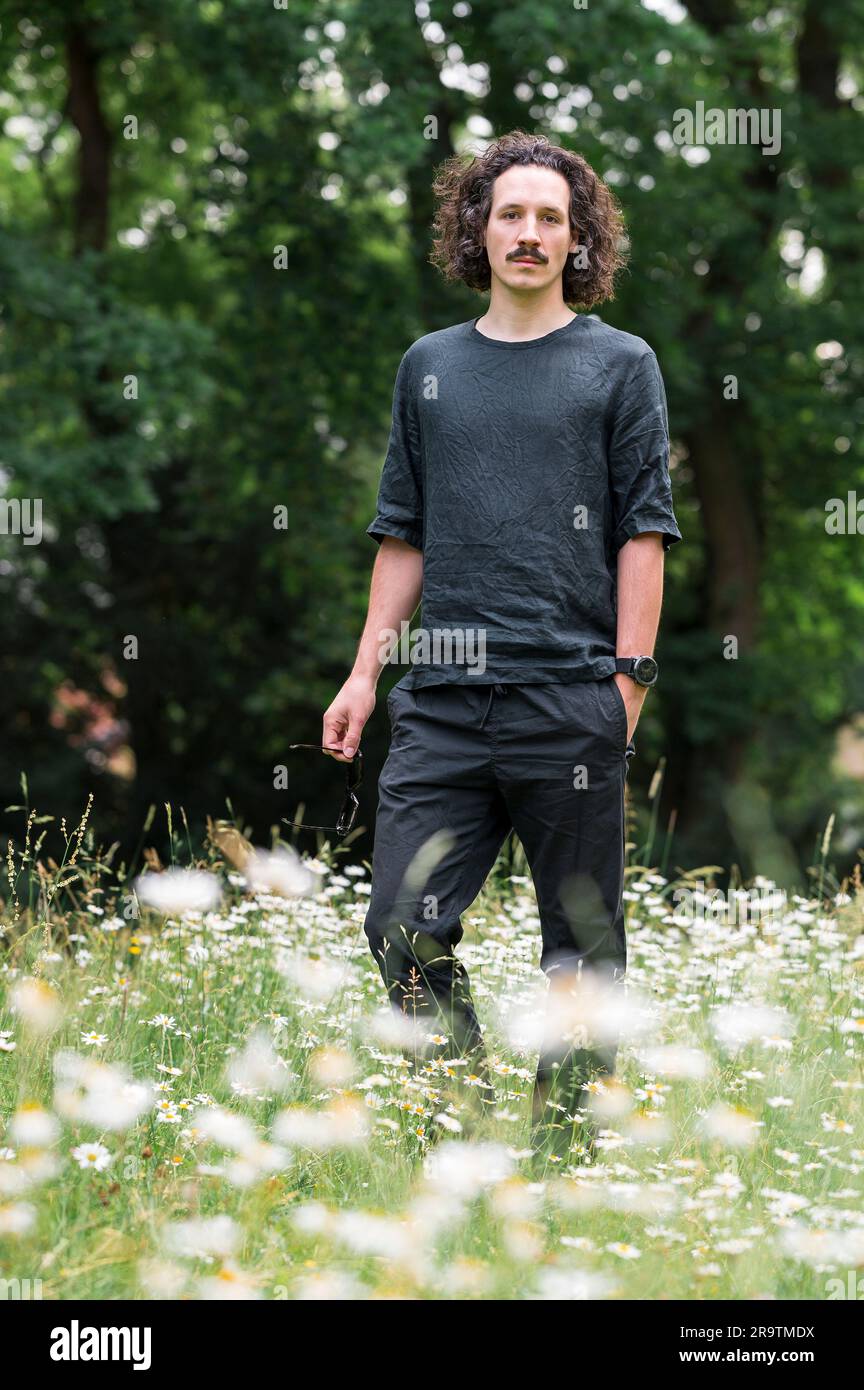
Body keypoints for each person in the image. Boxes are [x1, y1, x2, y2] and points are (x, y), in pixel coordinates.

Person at [322, 130, 682, 1158]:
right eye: (511, 213)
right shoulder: (430, 366)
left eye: (551, 219)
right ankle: (461, 1134)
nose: (529, 233)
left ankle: (563, 1171)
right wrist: (363, 672)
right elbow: (404, 533)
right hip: (439, 704)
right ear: (477, 227)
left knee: (580, 950)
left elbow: (643, 533)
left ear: (578, 241)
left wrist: (628, 686)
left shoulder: (620, 364)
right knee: (399, 921)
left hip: (571, 699)